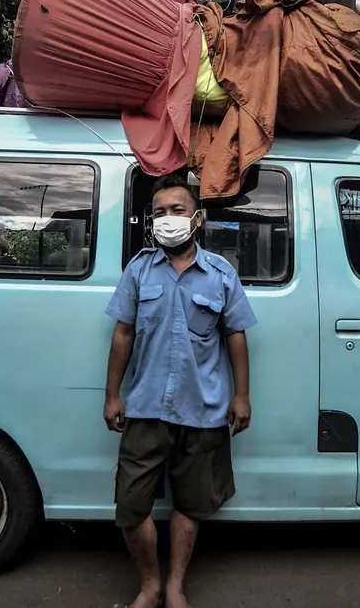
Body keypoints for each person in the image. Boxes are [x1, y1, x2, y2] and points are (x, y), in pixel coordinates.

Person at [103, 175, 257, 608]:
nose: (167, 219)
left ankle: (174, 587)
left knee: (191, 504)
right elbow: (123, 333)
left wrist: (241, 395)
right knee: (131, 507)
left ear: (197, 219)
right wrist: (112, 394)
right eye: (159, 212)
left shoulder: (221, 274)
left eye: (176, 210)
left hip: (203, 408)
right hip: (145, 406)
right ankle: (149, 584)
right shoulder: (138, 269)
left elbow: (236, 337)